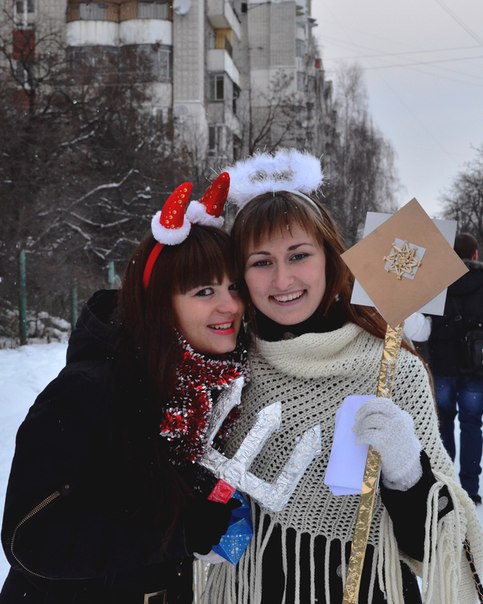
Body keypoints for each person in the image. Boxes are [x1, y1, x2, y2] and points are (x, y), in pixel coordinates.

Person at [203, 149, 483, 604]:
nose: (283, 280)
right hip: (245, 591)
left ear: (329, 258)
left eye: (298, 255)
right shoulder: (229, 367)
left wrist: (407, 473)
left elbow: (437, 549)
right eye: (262, 262)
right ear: (241, 274)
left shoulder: (394, 369)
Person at [0, 174, 248, 604]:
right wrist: (174, 533)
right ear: (160, 304)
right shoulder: (86, 393)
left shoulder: (215, 387)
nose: (229, 305)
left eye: (234, 287)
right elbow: (30, 538)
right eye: (204, 291)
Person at [428, 232, 483, 505]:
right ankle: (470, 489)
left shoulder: (438, 282)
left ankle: (447, 483)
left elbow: (428, 322)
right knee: (472, 424)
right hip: (475, 364)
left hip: (443, 363)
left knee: (444, 422)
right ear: (475, 254)